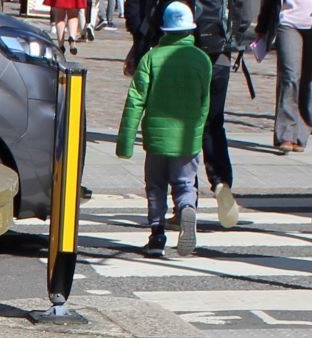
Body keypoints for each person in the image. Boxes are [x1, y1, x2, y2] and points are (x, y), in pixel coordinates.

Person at [126, 0, 248, 228]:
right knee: (213, 123)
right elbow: (242, 7)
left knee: (181, 123)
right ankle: (220, 180)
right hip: (218, 51)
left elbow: (156, 10)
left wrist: (141, 46)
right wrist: (235, 36)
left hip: (181, 54)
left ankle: (184, 204)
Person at [117, 1, 214, 256]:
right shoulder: (202, 60)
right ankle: (185, 209)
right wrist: (198, 132)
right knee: (184, 184)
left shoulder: (151, 58)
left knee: (155, 186)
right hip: (186, 138)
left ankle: (157, 235)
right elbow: (205, 102)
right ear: (191, 29)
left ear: (164, 29)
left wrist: (125, 142)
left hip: (157, 138)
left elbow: (136, 99)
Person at [256, 0, 312, 151]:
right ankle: (286, 135)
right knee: (290, 76)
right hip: (287, 22)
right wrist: (263, 24)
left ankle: (301, 133)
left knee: (308, 81)